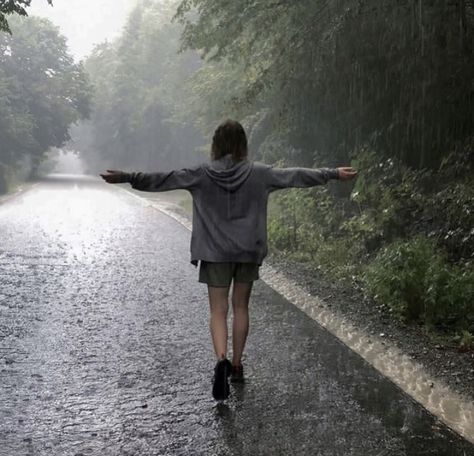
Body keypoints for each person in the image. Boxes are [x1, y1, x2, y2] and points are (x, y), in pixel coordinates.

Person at [100, 119, 357, 401]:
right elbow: (294, 176)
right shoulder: (260, 174)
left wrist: (127, 176)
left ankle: (221, 359)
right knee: (241, 307)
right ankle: (236, 365)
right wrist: (332, 173)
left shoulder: (200, 174)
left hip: (214, 253)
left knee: (218, 311)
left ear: (215, 145)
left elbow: (163, 179)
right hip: (248, 251)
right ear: (242, 145)